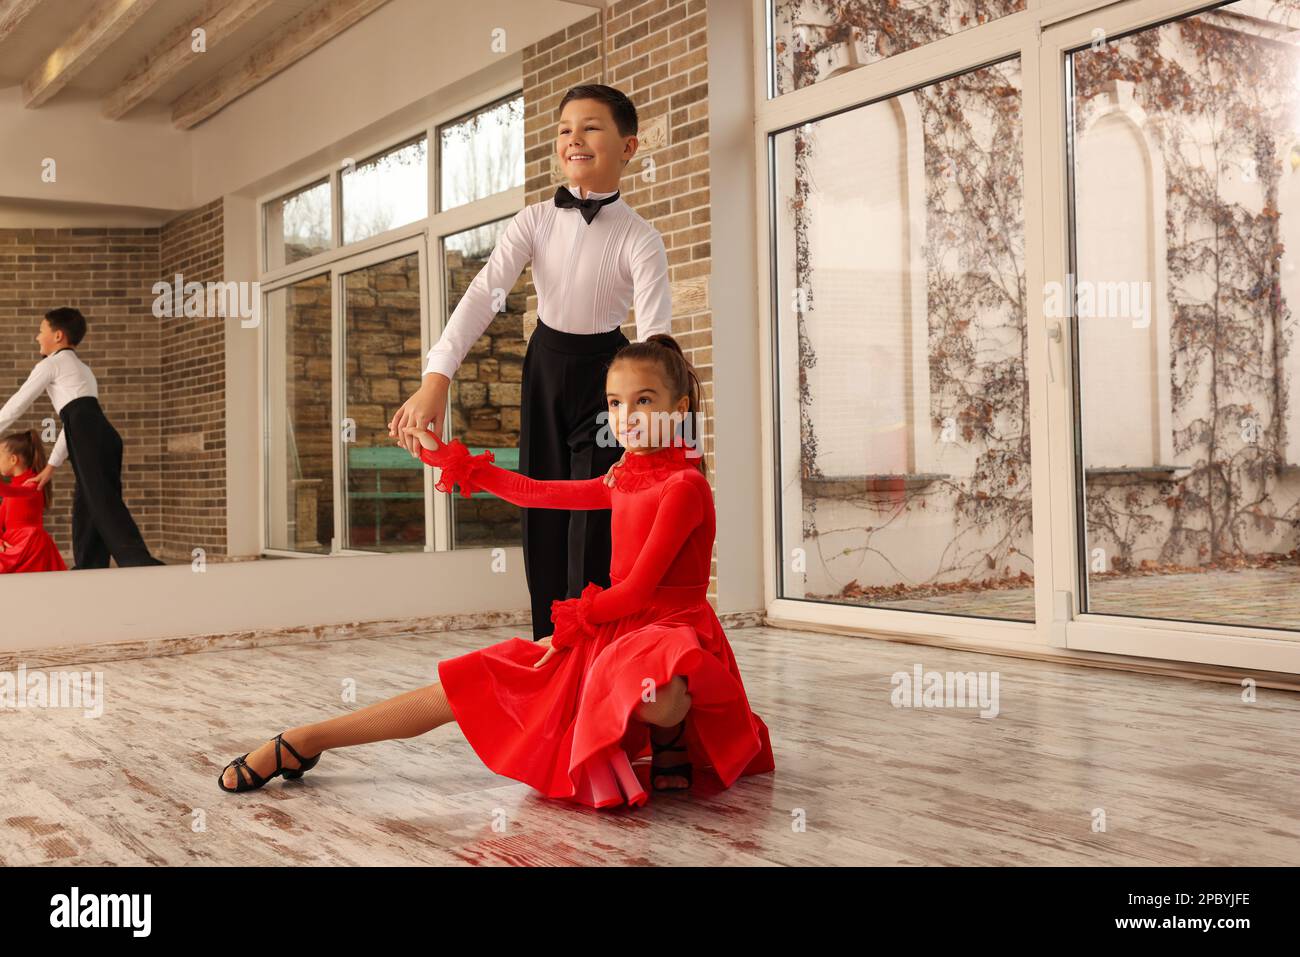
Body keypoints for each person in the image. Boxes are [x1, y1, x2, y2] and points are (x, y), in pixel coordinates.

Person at [219, 335, 774, 807]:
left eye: (644, 401)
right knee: (479, 681)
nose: (627, 418)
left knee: (651, 691)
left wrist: (574, 624)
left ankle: (674, 718)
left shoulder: (686, 487)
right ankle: (305, 738)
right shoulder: (620, 477)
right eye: (616, 403)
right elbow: (536, 491)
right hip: (615, 627)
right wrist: (449, 460)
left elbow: (638, 590)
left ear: (679, 409)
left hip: (667, 632)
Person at [388, 83, 672, 640]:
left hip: (609, 379)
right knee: (540, 512)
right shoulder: (535, 221)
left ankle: (594, 646)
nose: (575, 139)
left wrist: (658, 423)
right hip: (543, 370)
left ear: (629, 146)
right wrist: (435, 379)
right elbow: (483, 294)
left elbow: (656, 338)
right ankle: (548, 647)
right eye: (565, 129)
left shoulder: (642, 237)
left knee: (595, 521)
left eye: (591, 127)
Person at [0, 307, 163, 568]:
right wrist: (52, 466)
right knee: (87, 503)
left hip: (89, 434)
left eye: (41, 331)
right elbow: (74, 422)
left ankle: (139, 562)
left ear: (58, 335)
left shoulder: (50, 364)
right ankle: (89, 565)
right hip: (100, 434)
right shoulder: (83, 369)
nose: (36, 337)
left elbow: (18, 404)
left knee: (102, 501)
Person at [0, 429, 67, 574]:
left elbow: (17, 493)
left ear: (13, 460)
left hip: (30, 545)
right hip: (12, 543)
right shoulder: (11, 488)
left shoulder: (34, 484)